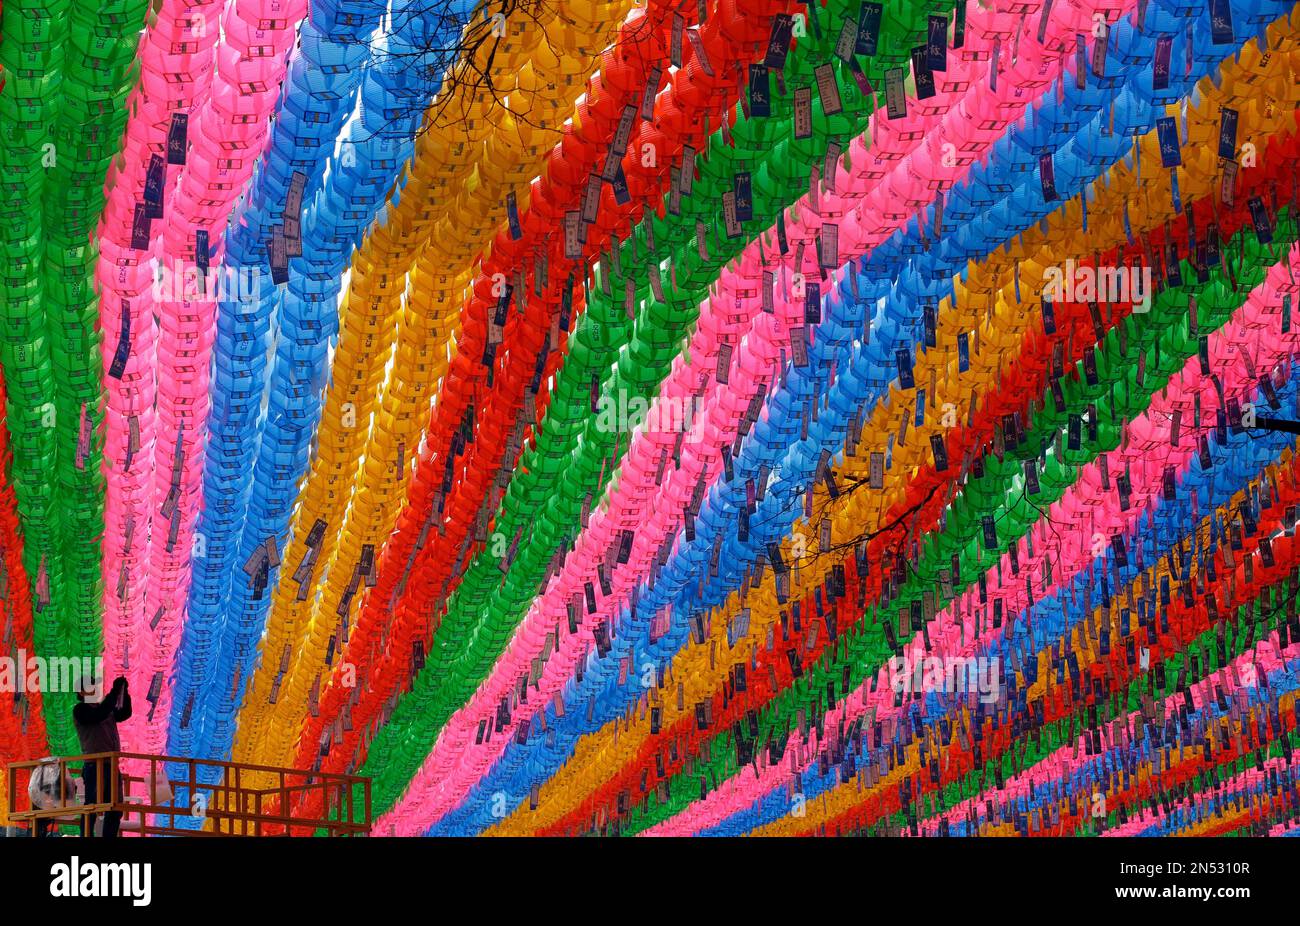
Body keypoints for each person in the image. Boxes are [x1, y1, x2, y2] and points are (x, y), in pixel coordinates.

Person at [73, 675, 131, 837]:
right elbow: (99, 714)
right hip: (94, 764)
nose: (94, 689)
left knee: (115, 807)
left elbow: (124, 713)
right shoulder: (81, 710)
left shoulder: (103, 707)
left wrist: (124, 691)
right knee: (92, 805)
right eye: (90, 686)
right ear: (81, 692)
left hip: (111, 764)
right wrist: (114, 692)